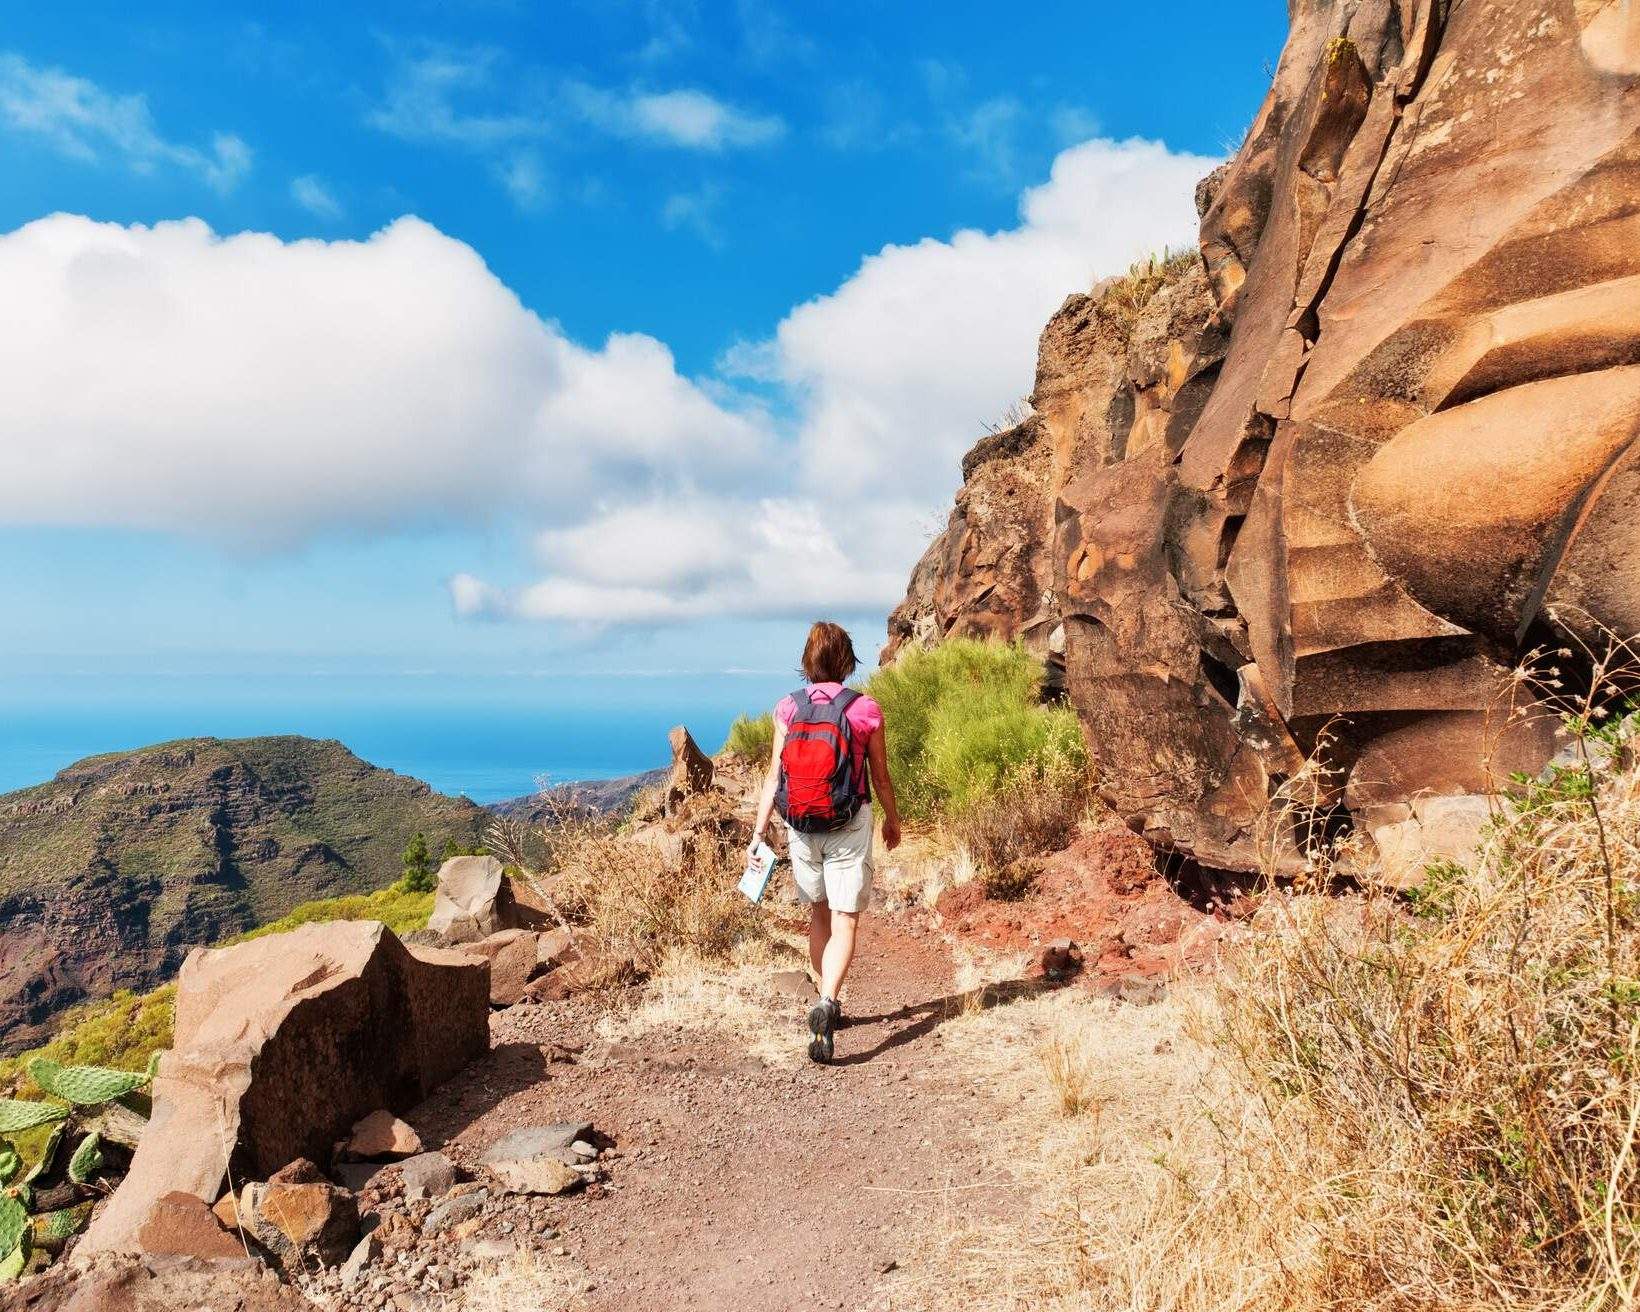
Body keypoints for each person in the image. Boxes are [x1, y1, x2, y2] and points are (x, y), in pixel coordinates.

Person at [749, 620, 901, 1062]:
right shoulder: (865, 709)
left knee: (818, 913)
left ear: (807, 662)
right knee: (845, 919)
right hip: (849, 824)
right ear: (847, 661)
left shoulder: (788, 708)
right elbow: (881, 775)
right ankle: (829, 1001)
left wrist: (760, 833)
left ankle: (825, 996)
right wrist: (892, 820)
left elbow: (774, 775)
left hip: (801, 826)